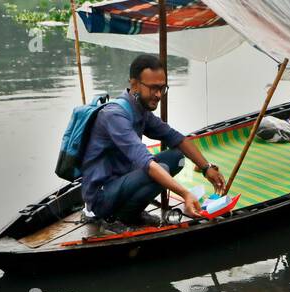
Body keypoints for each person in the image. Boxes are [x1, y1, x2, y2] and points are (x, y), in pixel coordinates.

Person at [80, 53, 226, 226]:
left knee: (176, 158)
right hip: (101, 196)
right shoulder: (114, 115)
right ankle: (123, 217)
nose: (158, 95)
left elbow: (176, 138)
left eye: (162, 88)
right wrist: (186, 194)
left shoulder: (141, 110)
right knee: (159, 169)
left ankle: (131, 212)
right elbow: (147, 164)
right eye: (153, 88)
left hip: (123, 182)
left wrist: (206, 167)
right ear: (134, 84)